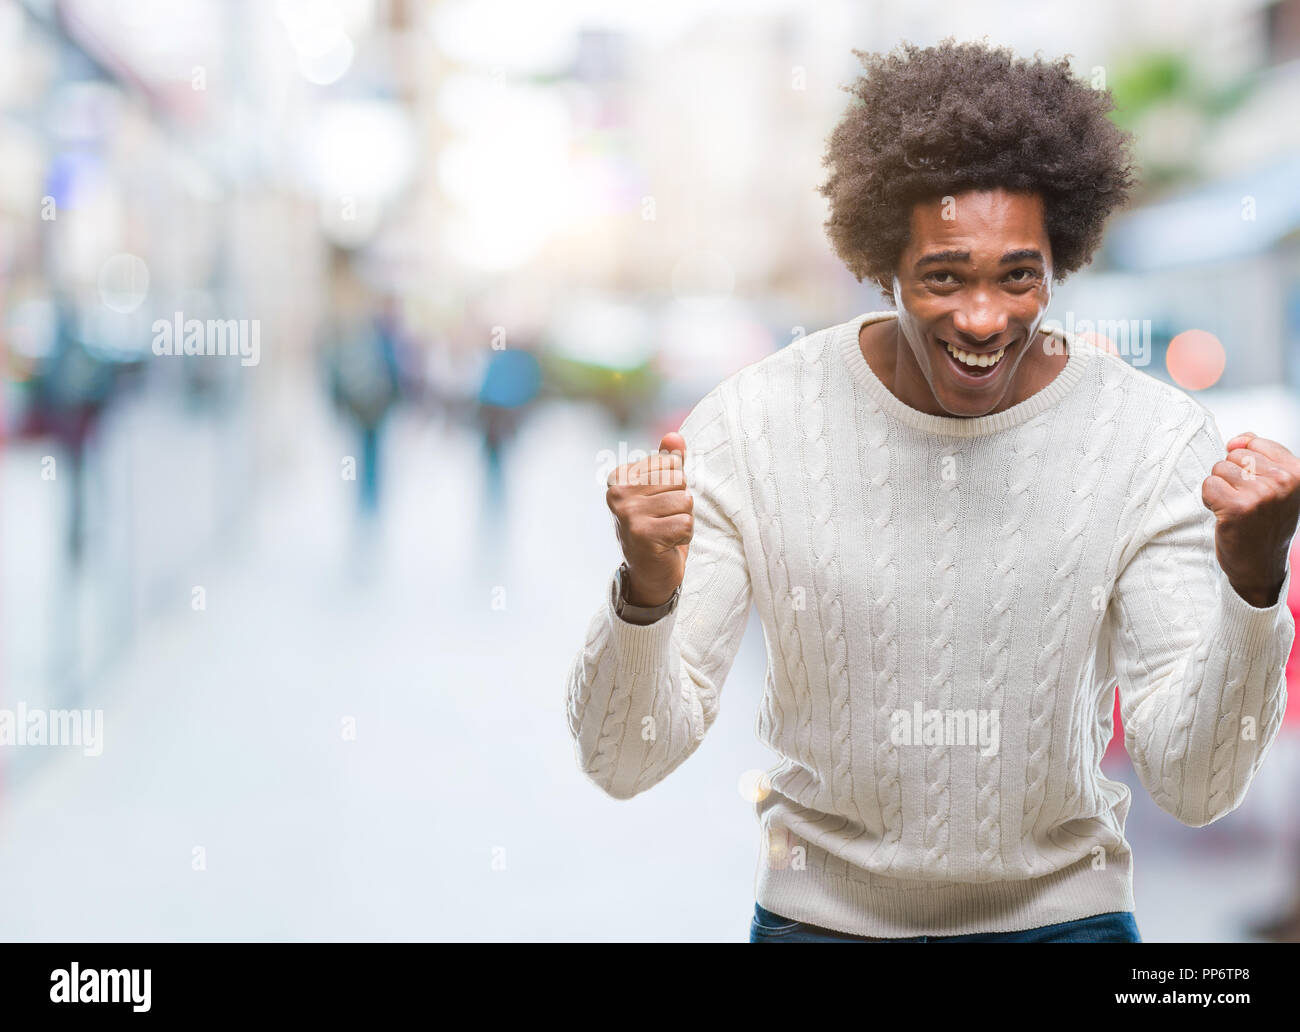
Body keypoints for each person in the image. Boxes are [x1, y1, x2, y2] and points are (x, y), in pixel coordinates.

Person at [563, 38, 1300, 943]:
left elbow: (1195, 785)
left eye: (1018, 276)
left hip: (1066, 930)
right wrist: (644, 592)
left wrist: (1254, 587)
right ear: (883, 267)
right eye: (943, 275)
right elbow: (622, 758)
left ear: (1059, 262)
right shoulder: (753, 426)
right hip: (818, 928)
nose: (984, 319)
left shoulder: (1147, 440)